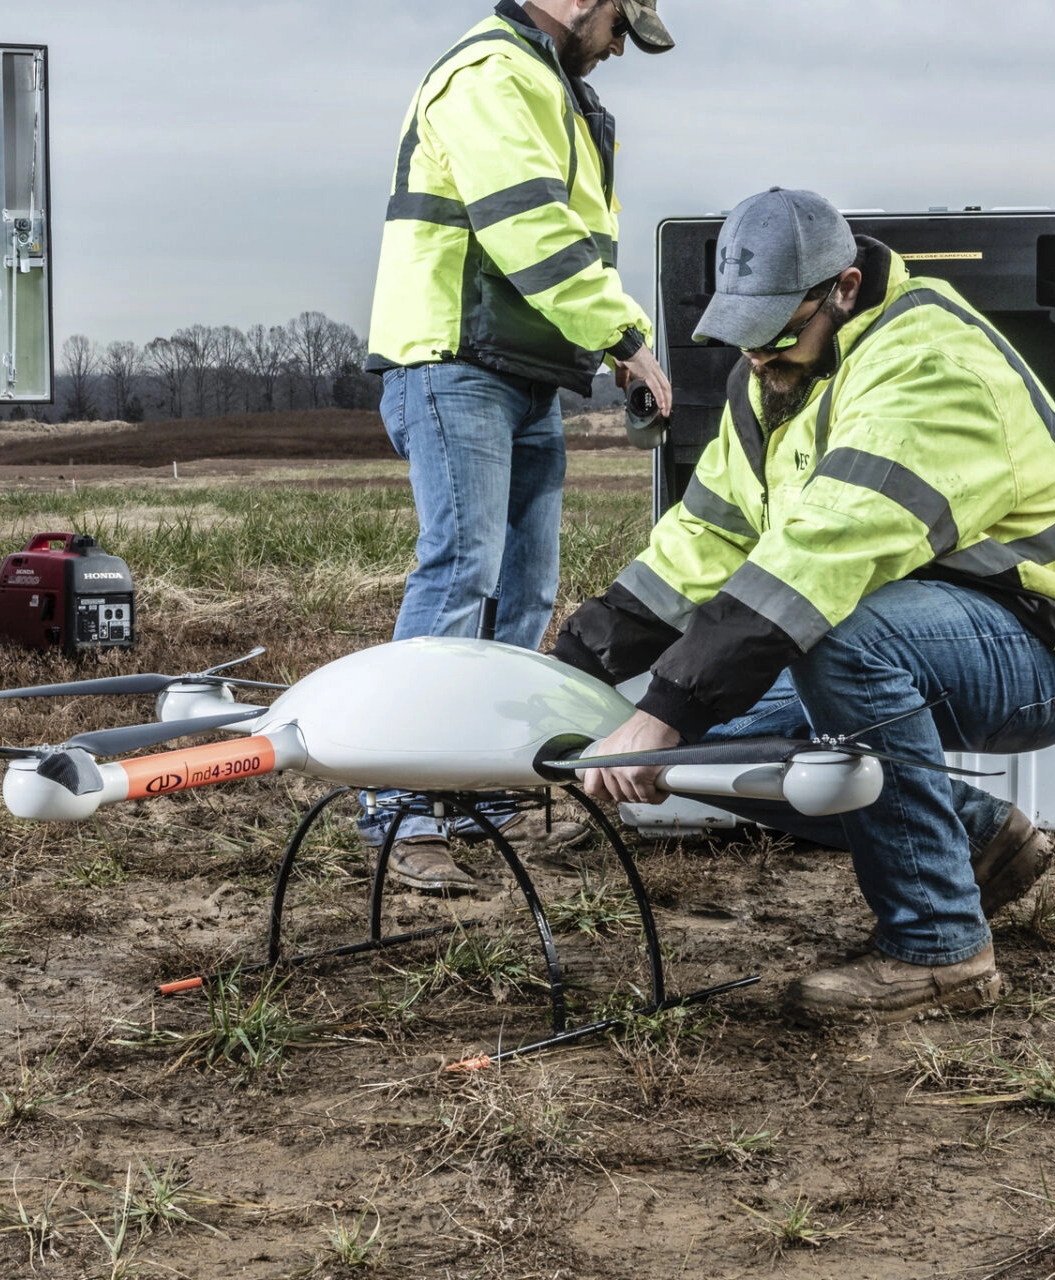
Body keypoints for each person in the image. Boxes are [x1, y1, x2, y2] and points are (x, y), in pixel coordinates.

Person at [554, 188, 1055, 1024]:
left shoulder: (926, 365)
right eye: (744, 336)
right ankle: (973, 839)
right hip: (920, 622)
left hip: (1049, 640)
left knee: (817, 645)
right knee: (707, 733)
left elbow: (818, 563)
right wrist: (572, 669)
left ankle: (942, 948)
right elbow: (709, 535)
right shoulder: (771, 377)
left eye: (778, 335)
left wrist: (663, 712)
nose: (760, 360)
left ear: (842, 288)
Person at [361, 0, 677, 890]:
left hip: (521, 364)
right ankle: (402, 807)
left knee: (526, 587)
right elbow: (528, 224)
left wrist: (597, 341)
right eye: (620, 28)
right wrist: (624, 337)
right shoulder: (492, 73)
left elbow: (569, 241)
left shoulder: (548, 83)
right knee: (463, 568)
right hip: (456, 358)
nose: (618, 49)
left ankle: (479, 789)